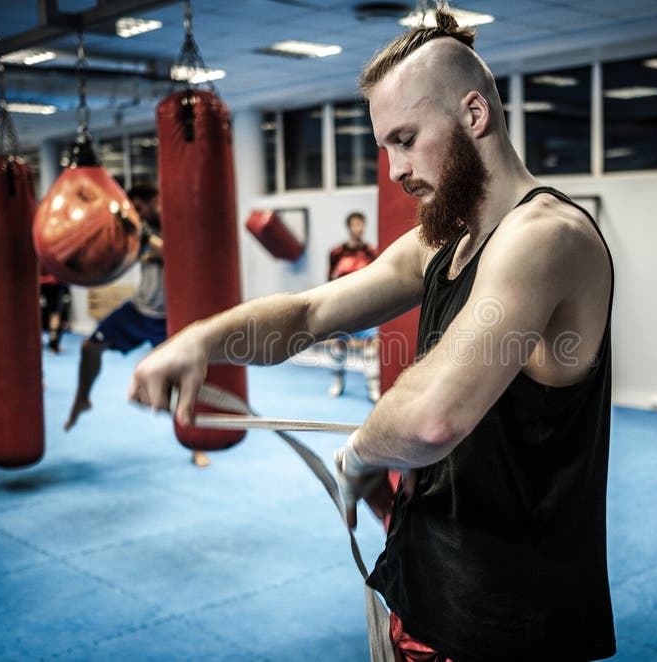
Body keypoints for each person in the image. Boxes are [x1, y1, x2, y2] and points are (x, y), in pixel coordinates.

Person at [128, 10, 615, 660]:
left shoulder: (546, 238)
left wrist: (361, 453)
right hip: (429, 584)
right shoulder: (445, 243)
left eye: (407, 138)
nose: (394, 170)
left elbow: (434, 416)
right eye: (387, 145)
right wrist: (199, 340)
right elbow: (306, 315)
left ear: (475, 115)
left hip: (507, 622)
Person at [64, 184, 210, 468]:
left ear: (155, 200)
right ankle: (82, 398)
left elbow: (177, 256)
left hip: (169, 318)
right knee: (89, 346)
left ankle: (195, 444)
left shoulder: (176, 226)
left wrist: (141, 233)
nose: (138, 215)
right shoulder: (140, 233)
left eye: (140, 208)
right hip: (140, 310)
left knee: (179, 385)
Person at [326, 211, 380, 400]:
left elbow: (378, 279)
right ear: (349, 227)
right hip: (342, 308)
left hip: (365, 308)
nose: (359, 228)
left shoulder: (371, 252)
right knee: (340, 345)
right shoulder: (337, 253)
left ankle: (373, 386)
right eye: (355, 224)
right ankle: (338, 382)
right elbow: (329, 281)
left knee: (370, 345)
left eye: (362, 224)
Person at [39, 266, 71, 353]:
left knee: (53, 314)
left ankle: (53, 344)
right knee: (54, 314)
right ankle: (53, 345)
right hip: (52, 282)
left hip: (52, 282)